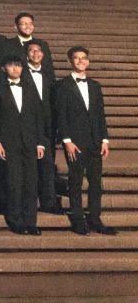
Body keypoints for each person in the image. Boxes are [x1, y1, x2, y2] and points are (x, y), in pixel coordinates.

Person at [56, 46, 116, 235]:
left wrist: (104, 140)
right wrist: (66, 140)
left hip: (95, 142)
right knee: (75, 181)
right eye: (76, 58)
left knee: (96, 182)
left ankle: (95, 218)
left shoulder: (95, 86)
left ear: (88, 61)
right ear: (70, 61)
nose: (81, 61)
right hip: (75, 142)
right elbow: (61, 115)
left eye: (84, 58)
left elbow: (100, 115)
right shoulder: (62, 86)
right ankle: (78, 219)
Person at [0, 55, 45, 235]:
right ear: (4, 68)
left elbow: (38, 118)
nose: (15, 69)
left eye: (18, 66)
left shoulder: (31, 89)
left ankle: (31, 221)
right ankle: (16, 220)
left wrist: (40, 143)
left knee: (31, 183)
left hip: (30, 142)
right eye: (11, 66)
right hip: (9, 142)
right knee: (14, 182)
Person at [21, 41, 60, 213]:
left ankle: (49, 202)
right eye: (31, 51)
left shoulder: (49, 75)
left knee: (47, 165)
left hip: (47, 126)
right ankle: (28, 204)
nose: (35, 54)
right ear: (26, 54)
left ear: (43, 55)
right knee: (28, 167)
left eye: (38, 51)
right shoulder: (20, 75)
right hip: (26, 126)